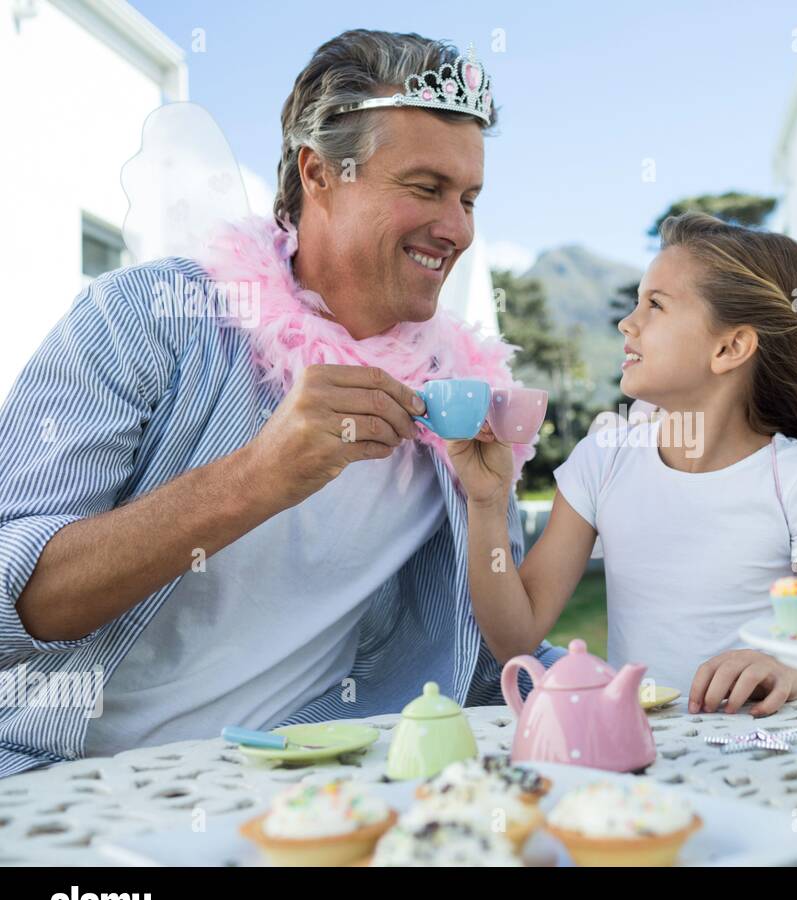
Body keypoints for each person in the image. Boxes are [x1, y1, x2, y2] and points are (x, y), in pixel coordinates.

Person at [0, 29, 558, 777]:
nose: (456, 227)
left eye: (468, 198)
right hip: (68, 777)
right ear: (319, 172)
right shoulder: (144, 318)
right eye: (426, 188)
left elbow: (491, 660)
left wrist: (680, 684)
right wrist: (257, 478)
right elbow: (14, 605)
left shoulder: (458, 397)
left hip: (312, 788)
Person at [448, 212, 797, 717]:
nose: (626, 323)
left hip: (767, 759)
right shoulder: (603, 460)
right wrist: (486, 501)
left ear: (730, 347)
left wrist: (792, 673)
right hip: (641, 756)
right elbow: (516, 636)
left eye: (655, 305)